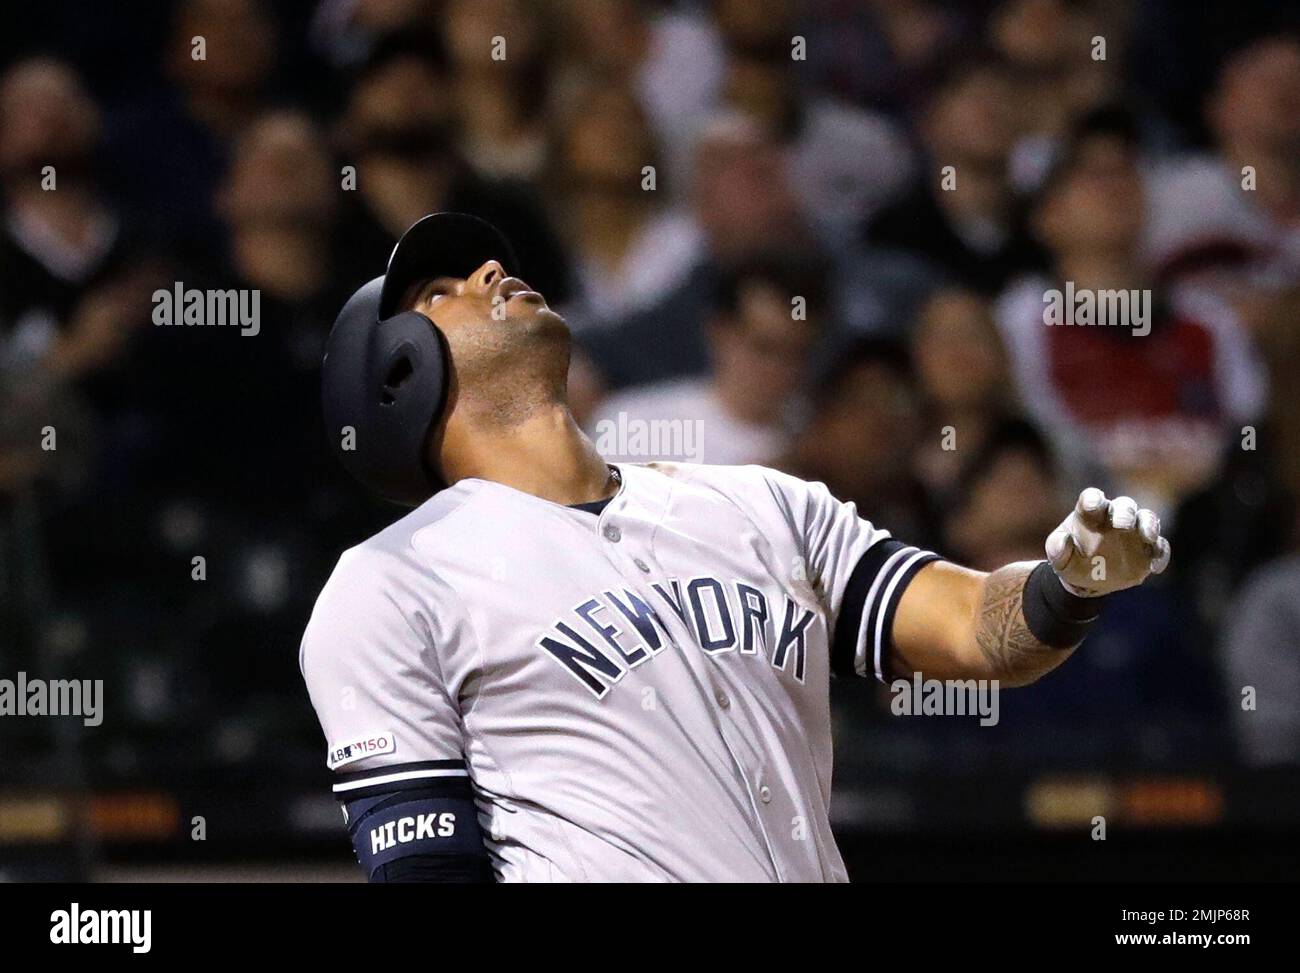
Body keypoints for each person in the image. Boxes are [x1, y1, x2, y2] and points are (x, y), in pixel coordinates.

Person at [301, 212, 1171, 882]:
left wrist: (1068, 584)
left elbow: (977, 629)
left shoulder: (757, 500)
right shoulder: (391, 581)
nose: (492, 272)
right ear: (397, 374)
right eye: (442, 290)